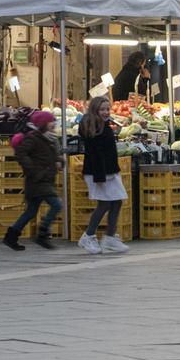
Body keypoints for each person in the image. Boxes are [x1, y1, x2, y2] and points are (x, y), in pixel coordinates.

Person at [77, 95, 130, 255]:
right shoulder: (94, 128)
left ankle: (110, 238)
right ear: (95, 110)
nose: (106, 112)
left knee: (117, 202)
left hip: (110, 172)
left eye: (108, 109)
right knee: (105, 204)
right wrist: (99, 177)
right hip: (99, 173)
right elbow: (95, 154)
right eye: (102, 109)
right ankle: (88, 236)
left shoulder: (104, 125)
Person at [3, 110, 63, 251]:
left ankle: (11, 237)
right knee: (56, 204)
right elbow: (20, 152)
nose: (53, 124)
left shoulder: (51, 139)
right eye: (50, 122)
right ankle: (42, 234)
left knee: (31, 212)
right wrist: (32, 170)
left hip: (45, 180)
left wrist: (60, 162)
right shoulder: (33, 139)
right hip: (37, 181)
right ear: (42, 124)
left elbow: (56, 156)